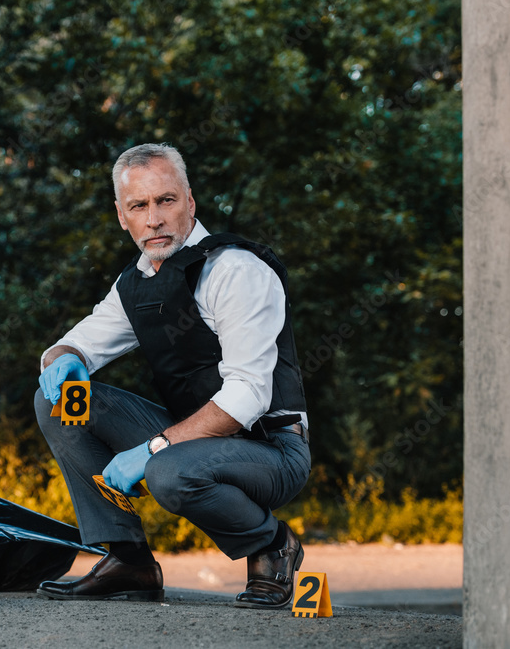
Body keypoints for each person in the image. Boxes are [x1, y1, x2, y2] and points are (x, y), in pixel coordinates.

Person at [34, 143, 311, 608]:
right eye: (139, 206)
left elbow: (247, 397)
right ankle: (129, 560)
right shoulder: (137, 283)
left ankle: (271, 545)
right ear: (122, 216)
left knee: (166, 471)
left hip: (272, 449)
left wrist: (152, 448)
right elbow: (75, 342)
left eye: (166, 201)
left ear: (190, 203)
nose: (154, 219)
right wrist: (63, 359)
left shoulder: (236, 271)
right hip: (192, 442)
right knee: (58, 400)